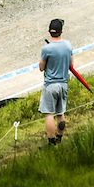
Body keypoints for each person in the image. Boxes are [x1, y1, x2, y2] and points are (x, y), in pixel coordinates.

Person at [39, 18, 75, 146]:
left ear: (49, 31)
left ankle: (51, 141)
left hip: (50, 85)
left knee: (49, 115)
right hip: (63, 84)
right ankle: (59, 139)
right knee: (60, 113)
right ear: (62, 31)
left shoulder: (46, 49)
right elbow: (71, 64)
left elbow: (41, 67)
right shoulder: (68, 45)